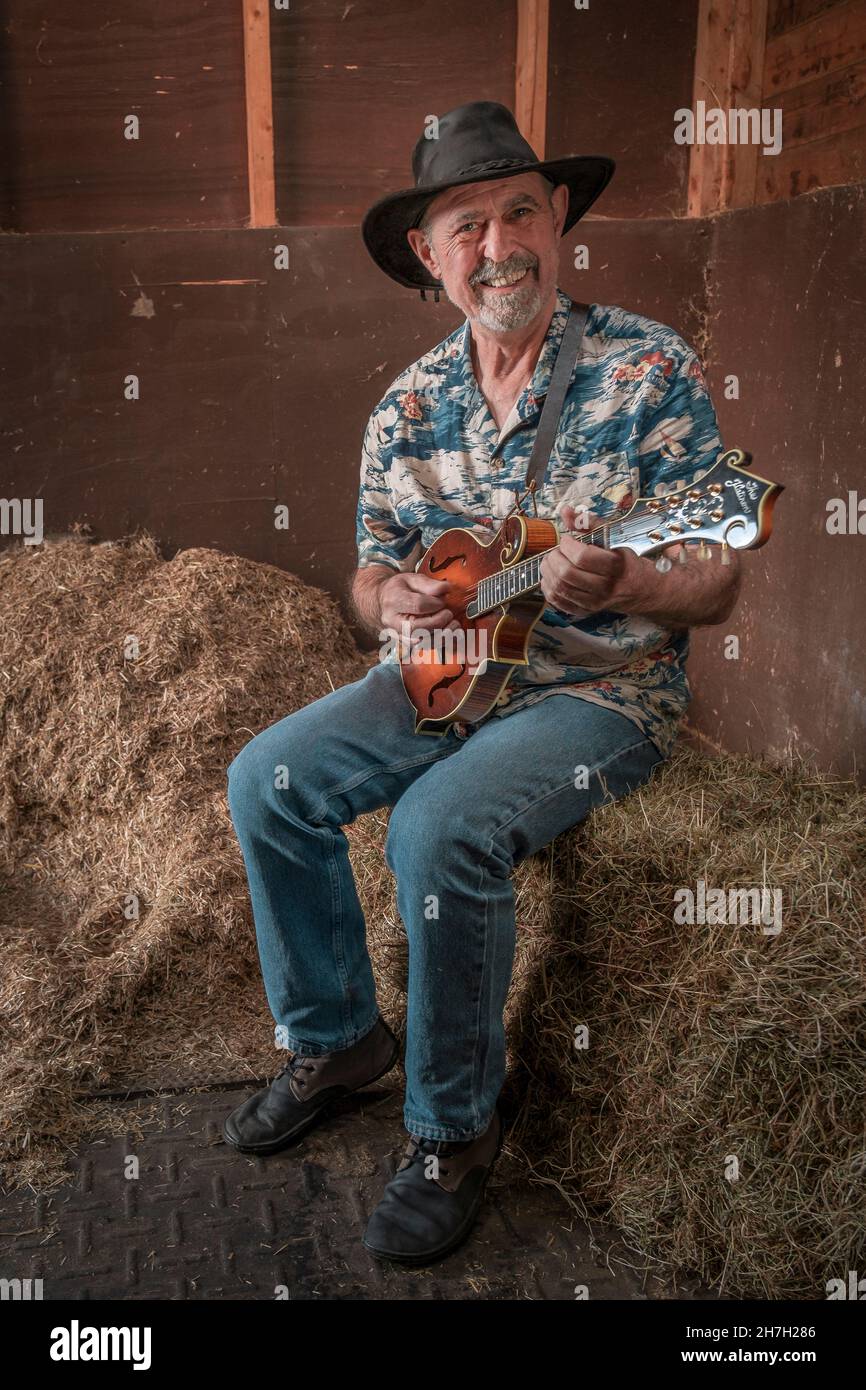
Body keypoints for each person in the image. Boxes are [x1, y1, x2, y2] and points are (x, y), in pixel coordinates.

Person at [223, 101, 741, 1265]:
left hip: (598, 693)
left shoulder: (648, 368)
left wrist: (628, 586)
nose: (497, 245)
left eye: (518, 212)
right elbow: (364, 573)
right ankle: (338, 1038)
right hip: (445, 673)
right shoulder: (405, 406)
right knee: (265, 779)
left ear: (558, 218)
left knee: (434, 827)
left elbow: (716, 583)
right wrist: (387, 602)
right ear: (428, 253)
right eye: (466, 225)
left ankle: (451, 1124)